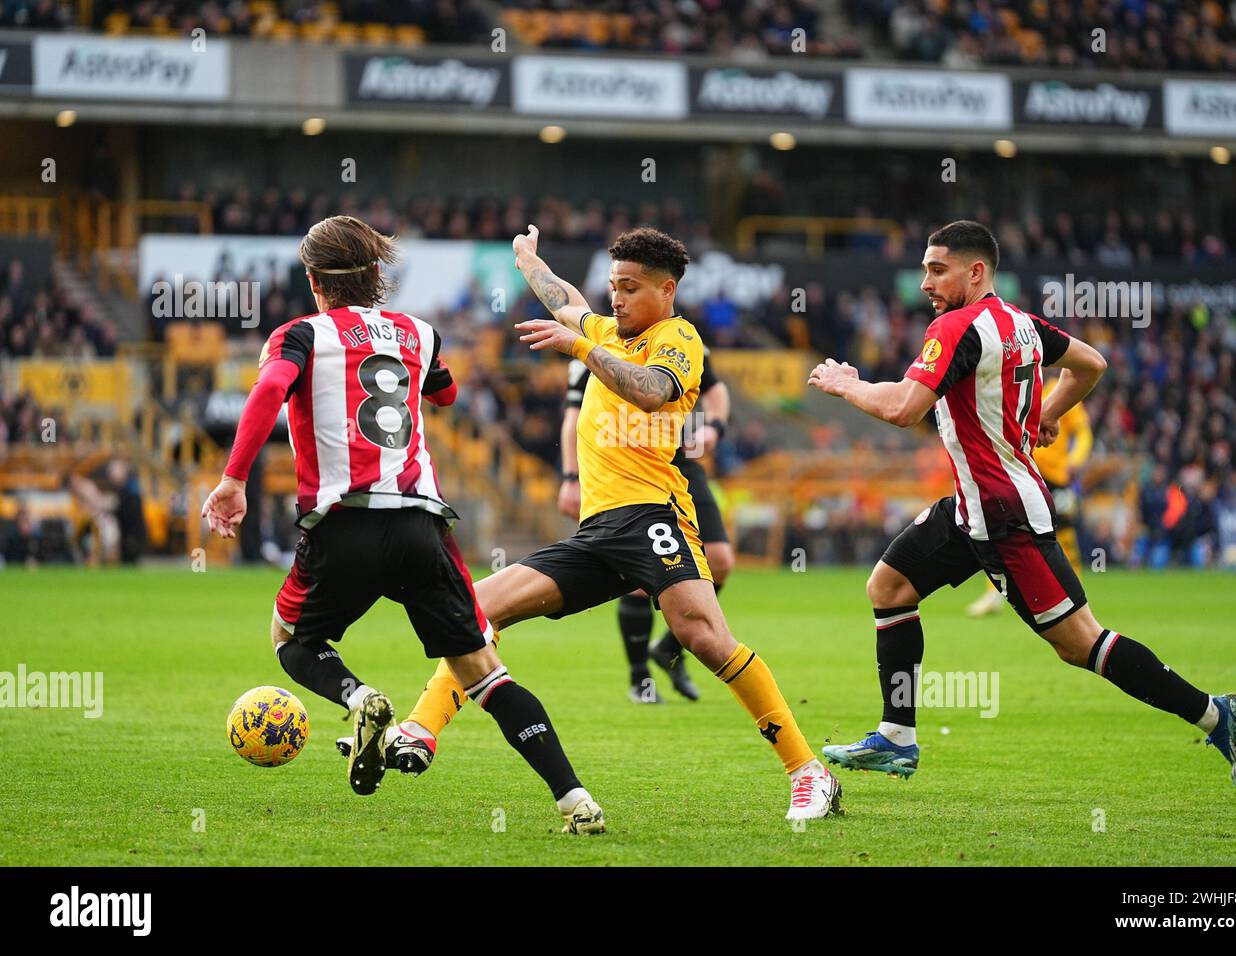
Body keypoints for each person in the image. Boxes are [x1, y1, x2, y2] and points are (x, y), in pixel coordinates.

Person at [395, 225, 842, 820]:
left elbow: (652, 392)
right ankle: (420, 731)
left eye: (630, 288)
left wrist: (580, 348)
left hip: (655, 515)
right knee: (474, 610)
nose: (617, 298)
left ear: (667, 290)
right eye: (613, 286)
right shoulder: (606, 329)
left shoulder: (677, 339)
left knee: (702, 637)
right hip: (597, 531)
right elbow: (566, 302)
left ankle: (809, 773)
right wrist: (529, 261)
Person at [809, 220, 1236, 789]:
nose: (925, 282)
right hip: (972, 506)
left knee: (1081, 643)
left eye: (936, 269)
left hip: (1003, 518)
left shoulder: (956, 326)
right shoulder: (1020, 323)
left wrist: (845, 383)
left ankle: (1216, 713)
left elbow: (904, 407)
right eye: (924, 269)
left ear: (976, 272)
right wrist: (1048, 411)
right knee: (889, 586)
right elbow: (1091, 363)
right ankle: (897, 737)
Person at [201, 215, 605, 833]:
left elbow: (268, 393)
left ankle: (361, 699)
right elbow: (443, 396)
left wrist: (234, 478)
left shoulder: (298, 336)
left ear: (313, 281)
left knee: (292, 642)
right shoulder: (419, 332)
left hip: (342, 526)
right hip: (421, 524)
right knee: (485, 674)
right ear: (376, 276)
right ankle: (575, 799)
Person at [559, 350, 734, 703]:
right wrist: (570, 477)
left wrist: (714, 427)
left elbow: (716, 391)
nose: (622, 300)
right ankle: (640, 680)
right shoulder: (599, 347)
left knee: (719, 560)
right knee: (639, 580)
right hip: (626, 469)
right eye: (621, 291)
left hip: (677, 461)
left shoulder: (684, 344)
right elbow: (573, 417)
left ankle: (669, 648)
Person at [967, 369, 1092, 615]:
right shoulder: (1017, 385)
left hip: (1056, 476)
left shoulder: (1060, 390)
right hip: (1021, 472)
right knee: (1000, 530)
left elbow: (1084, 432)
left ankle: (1074, 589)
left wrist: (1075, 459)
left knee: (1063, 532)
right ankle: (994, 594)